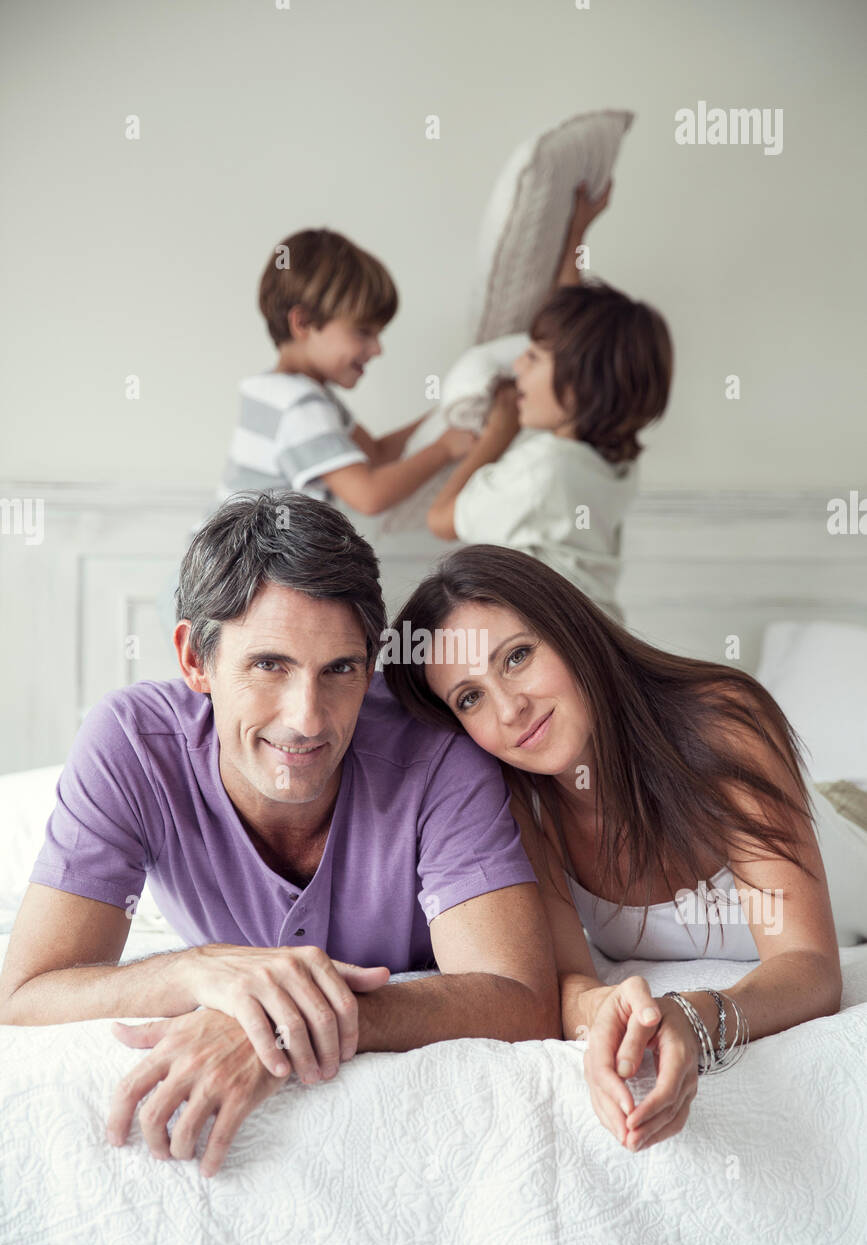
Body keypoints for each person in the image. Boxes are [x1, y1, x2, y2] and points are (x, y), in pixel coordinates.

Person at [0, 495, 559, 1177]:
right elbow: (27, 994)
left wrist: (278, 1019)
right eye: (269, 665)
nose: (307, 719)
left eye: (340, 669)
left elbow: (521, 999)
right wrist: (197, 970)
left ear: (371, 665)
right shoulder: (131, 744)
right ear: (194, 659)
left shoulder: (438, 753)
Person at [382, 543, 843, 1154]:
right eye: (470, 697)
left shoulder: (725, 724)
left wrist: (694, 1015)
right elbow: (568, 984)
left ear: (570, 630)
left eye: (517, 656)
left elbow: (811, 965)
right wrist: (620, 1017)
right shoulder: (518, 801)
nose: (511, 708)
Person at [426, 184, 673, 625]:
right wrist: (575, 236)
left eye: (534, 357)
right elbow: (574, 345)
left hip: (559, 643)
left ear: (577, 388)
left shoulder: (541, 471)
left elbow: (441, 519)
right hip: (602, 631)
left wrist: (497, 436)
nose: (518, 364)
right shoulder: (613, 459)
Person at [220, 226, 475, 515]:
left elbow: (376, 454)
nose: (377, 349)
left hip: (226, 543)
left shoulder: (288, 392)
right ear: (303, 323)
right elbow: (369, 496)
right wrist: (443, 450)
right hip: (246, 546)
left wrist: (444, 414)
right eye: (363, 332)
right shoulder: (300, 405)